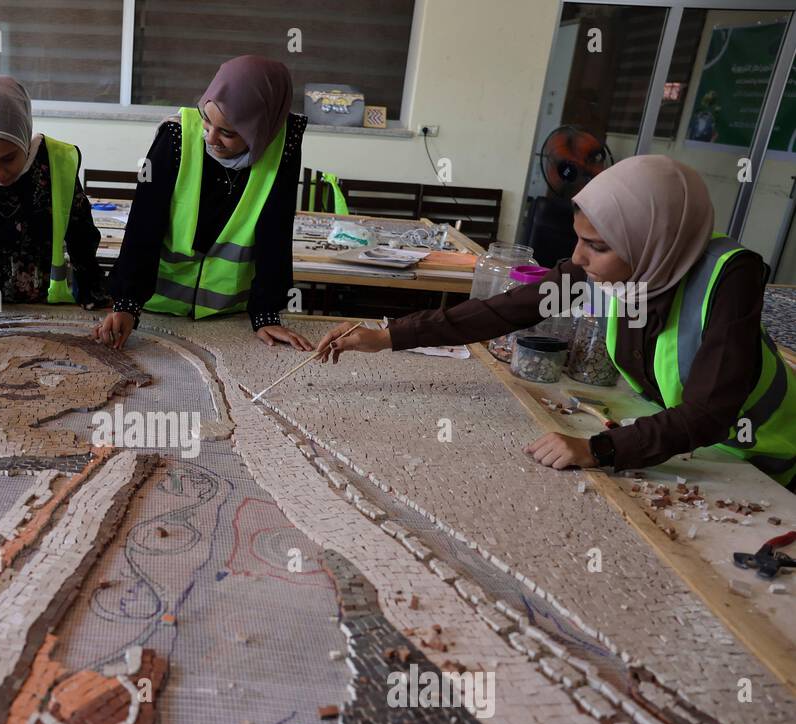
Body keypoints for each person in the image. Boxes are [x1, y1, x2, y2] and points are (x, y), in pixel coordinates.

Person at [316, 155, 796, 488]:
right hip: (678, 443)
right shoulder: (624, 268)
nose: (577, 257)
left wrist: (599, 450)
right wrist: (388, 336)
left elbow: (709, 414)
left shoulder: (730, 277)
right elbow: (507, 309)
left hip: (761, 458)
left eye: (599, 246)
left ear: (654, 241)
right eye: (579, 239)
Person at [91, 55, 312, 352]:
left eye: (229, 133)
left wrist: (265, 314)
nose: (211, 138)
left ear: (262, 128)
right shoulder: (176, 137)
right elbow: (144, 225)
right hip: (159, 310)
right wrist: (127, 304)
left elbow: (276, 233)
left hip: (227, 319)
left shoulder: (281, 147)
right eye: (206, 122)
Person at [0, 76, 109, 363]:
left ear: (25, 135)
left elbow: (81, 236)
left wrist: (98, 302)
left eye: (8, 158)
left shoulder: (57, 164)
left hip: (53, 309)